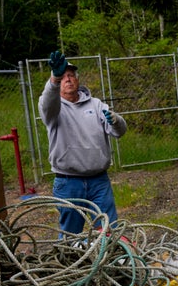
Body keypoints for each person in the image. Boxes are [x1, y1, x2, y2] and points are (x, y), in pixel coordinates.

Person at [38, 50, 127, 234]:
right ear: (58, 83)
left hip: (99, 181)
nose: (68, 79)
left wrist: (116, 120)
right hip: (68, 183)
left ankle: (110, 260)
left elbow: (119, 132)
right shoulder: (53, 109)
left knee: (108, 231)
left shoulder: (96, 105)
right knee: (71, 236)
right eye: (63, 77)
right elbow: (48, 102)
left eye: (71, 75)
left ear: (78, 80)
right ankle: (72, 261)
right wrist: (53, 78)